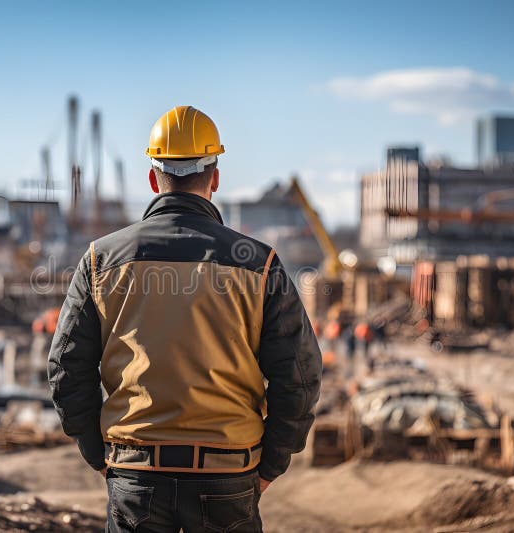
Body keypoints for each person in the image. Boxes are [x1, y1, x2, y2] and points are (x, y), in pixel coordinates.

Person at [48, 106, 322, 532]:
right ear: (214, 177)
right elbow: (300, 378)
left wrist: (98, 453)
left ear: (154, 179)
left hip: (135, 475)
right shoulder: (260, 265)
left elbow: (66, 367)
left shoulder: (101, 260)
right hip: (228, 477)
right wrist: (270, 465)